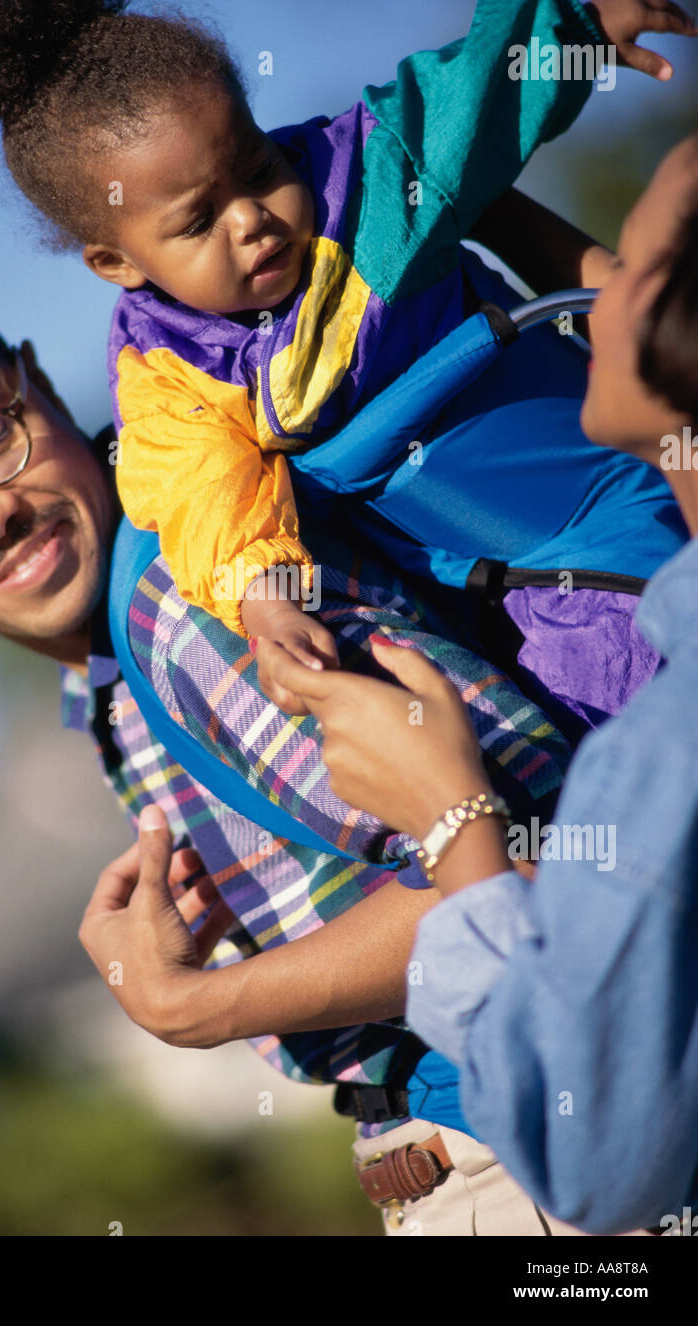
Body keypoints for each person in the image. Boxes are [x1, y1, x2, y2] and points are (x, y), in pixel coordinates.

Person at [0, 274, 594, 1237]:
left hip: (540, 1152)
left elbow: (539, 856)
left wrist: (197, 1006)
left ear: (43, 386)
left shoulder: (191, 604)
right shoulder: (117, 659)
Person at [0, 0, 695, 710]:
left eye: (257, 171)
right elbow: (203, 490)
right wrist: (263, 594)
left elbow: (465, 101)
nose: (252, 218)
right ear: (117, 263)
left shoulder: (368, 180)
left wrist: (578, 34)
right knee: (612, 693)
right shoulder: (168, 369)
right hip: (518, 578)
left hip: (610, 454)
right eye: (198, 222)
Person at [260, 133, 698, 1235]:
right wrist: (473, 193)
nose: (575, 286)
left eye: (623, 266)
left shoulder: (662, 742)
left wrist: (452, 821)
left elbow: (596, 1162)